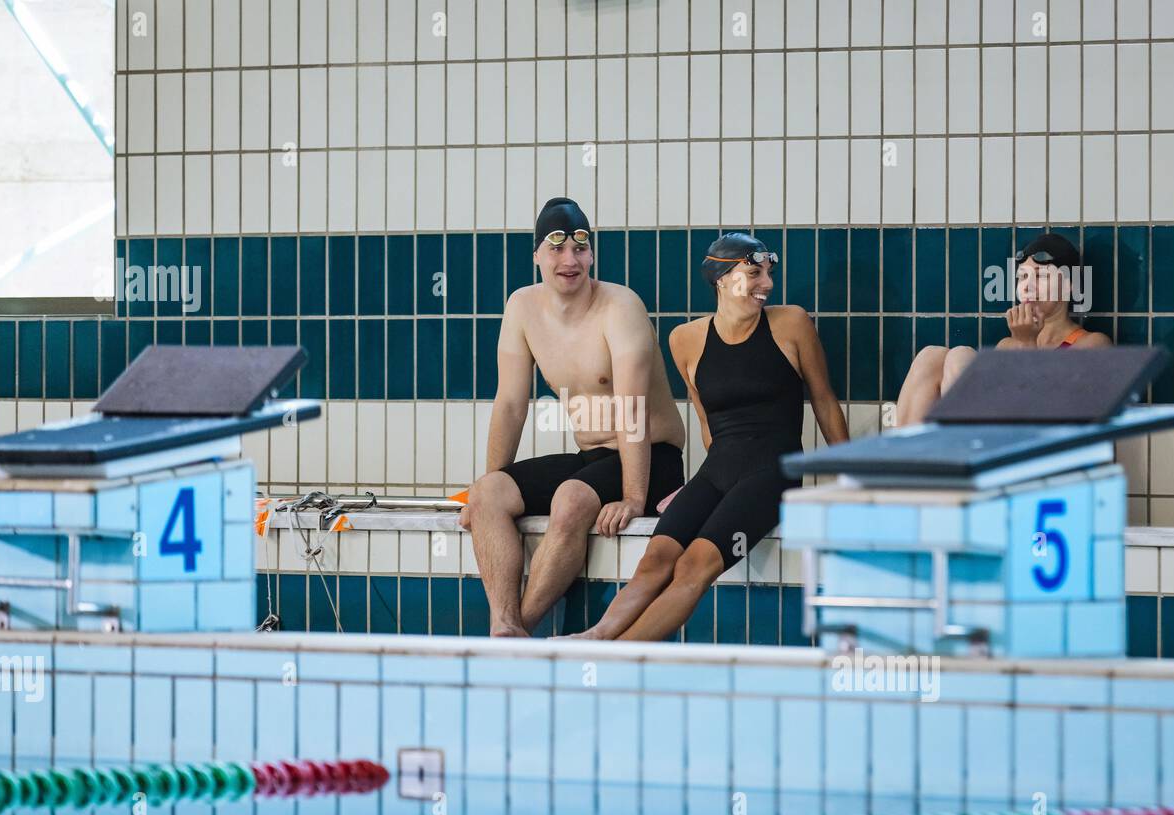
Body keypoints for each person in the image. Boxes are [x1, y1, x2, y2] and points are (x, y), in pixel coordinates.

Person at [564, 232, 848, 642]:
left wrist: (848, 480)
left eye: (768, 273)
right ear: (720, 279)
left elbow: (823, 400)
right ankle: (598, 636)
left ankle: (615, 656)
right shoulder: (685, 340)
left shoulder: (792, 324)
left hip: (774, 473)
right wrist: (706, 495)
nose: (766, 284)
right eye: (753, 273)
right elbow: (707, 424)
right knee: (656, 559)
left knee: (695, 565)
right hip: (717, 472)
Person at [459, 197, 687, 637]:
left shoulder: (620, 308)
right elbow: (510, 403)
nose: (570, 260)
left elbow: (631, 409)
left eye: (580, 248)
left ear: (592, 254)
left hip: (653, 457)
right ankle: (504, 627)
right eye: (558, 248)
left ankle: (514, 635)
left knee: (571, 498)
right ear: (537, 256)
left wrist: (634, 499)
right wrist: (489, 488)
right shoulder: (522, 308)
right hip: (592, 460)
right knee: (486, 495)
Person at [894, 232, 1111, 426]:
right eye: (1023, 276)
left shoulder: (1092, 344)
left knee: (962, 356)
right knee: (931, 356)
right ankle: (903, 461)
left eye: (1041, 276)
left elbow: (1046, 414)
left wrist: (1027, 344)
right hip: (992, 442)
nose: (1027, 286)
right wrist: (1021, 343)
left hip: (1038, 455)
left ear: (1068, 285)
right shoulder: (1007, 345)